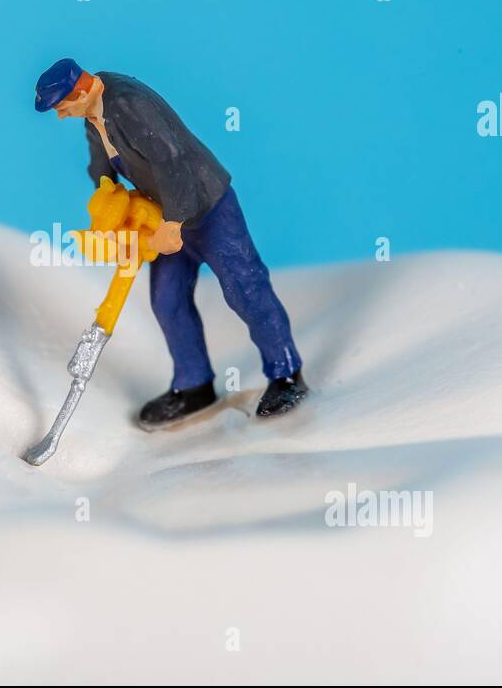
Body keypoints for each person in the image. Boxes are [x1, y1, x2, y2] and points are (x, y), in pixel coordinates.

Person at [35, 58, 307, 427]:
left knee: (245, 289)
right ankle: (194, 385)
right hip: (160, 217)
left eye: (62, 107)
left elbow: (172, 162)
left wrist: (174, 223)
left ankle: (286, 374)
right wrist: (114, 218)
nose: (60, 116)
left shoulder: (129, 104)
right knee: (167, 299)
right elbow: (101, 172)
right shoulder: (92, 118)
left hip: (207, 209)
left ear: (80, 91)